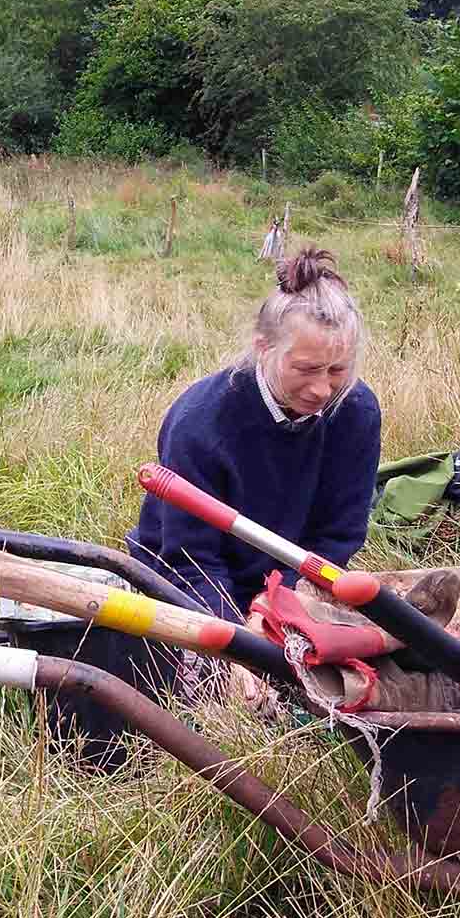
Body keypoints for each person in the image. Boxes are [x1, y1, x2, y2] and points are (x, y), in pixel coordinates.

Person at [127, 248, 382, 713]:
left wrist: (272, 614)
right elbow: (190, 559)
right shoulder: (200, 423)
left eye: (337, 371)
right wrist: (238, 646)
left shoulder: (355, 412)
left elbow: (337, 537)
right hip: (192, 584)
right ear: (265, 348)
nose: (323, 389)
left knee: (354, 690)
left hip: (291, 586)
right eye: (305, 369)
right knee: (221, 704)